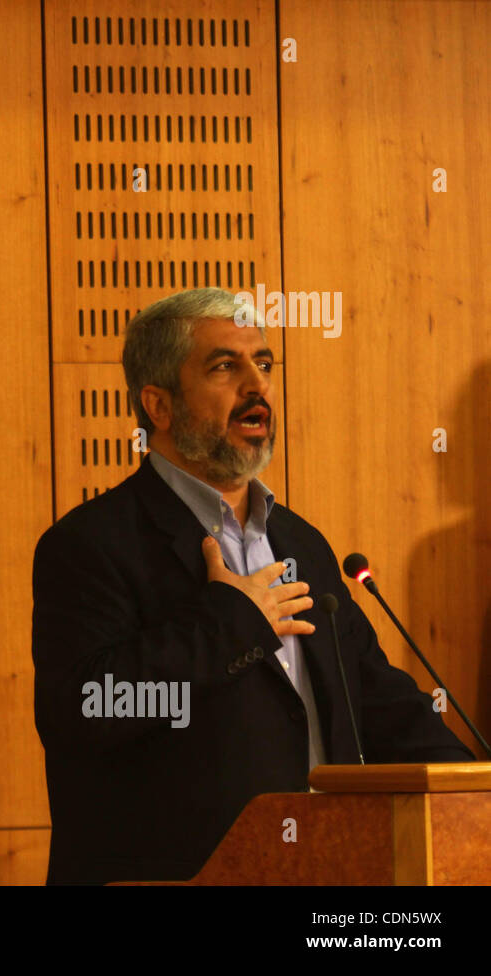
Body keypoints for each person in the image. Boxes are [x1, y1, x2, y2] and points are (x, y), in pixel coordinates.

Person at [32, 287, 473, 885]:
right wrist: (228, 625)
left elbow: (375, 703)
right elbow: (82, 711)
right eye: (224, 366)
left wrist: (475, 792)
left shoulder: (302, 544)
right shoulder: (92, 543)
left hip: (324, 876)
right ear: (158, 406)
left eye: (263, 364)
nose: (256, 385)